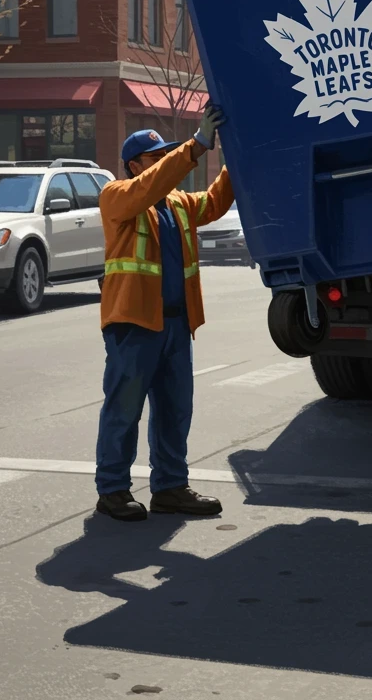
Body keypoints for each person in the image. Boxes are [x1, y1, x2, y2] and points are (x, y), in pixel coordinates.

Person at [95, 106, 234, 522]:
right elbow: (150, 187)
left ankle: (171, 487)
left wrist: (233, 162)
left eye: (167, 156)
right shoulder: (117, 197)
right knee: (124, 410)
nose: (165, 164)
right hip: (134, 324)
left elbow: (212, 203)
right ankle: (113, 490)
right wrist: (194, 146)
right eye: (157, 158)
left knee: (175, 410)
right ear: (134, 165)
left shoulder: (176, 203)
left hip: (175, 322)